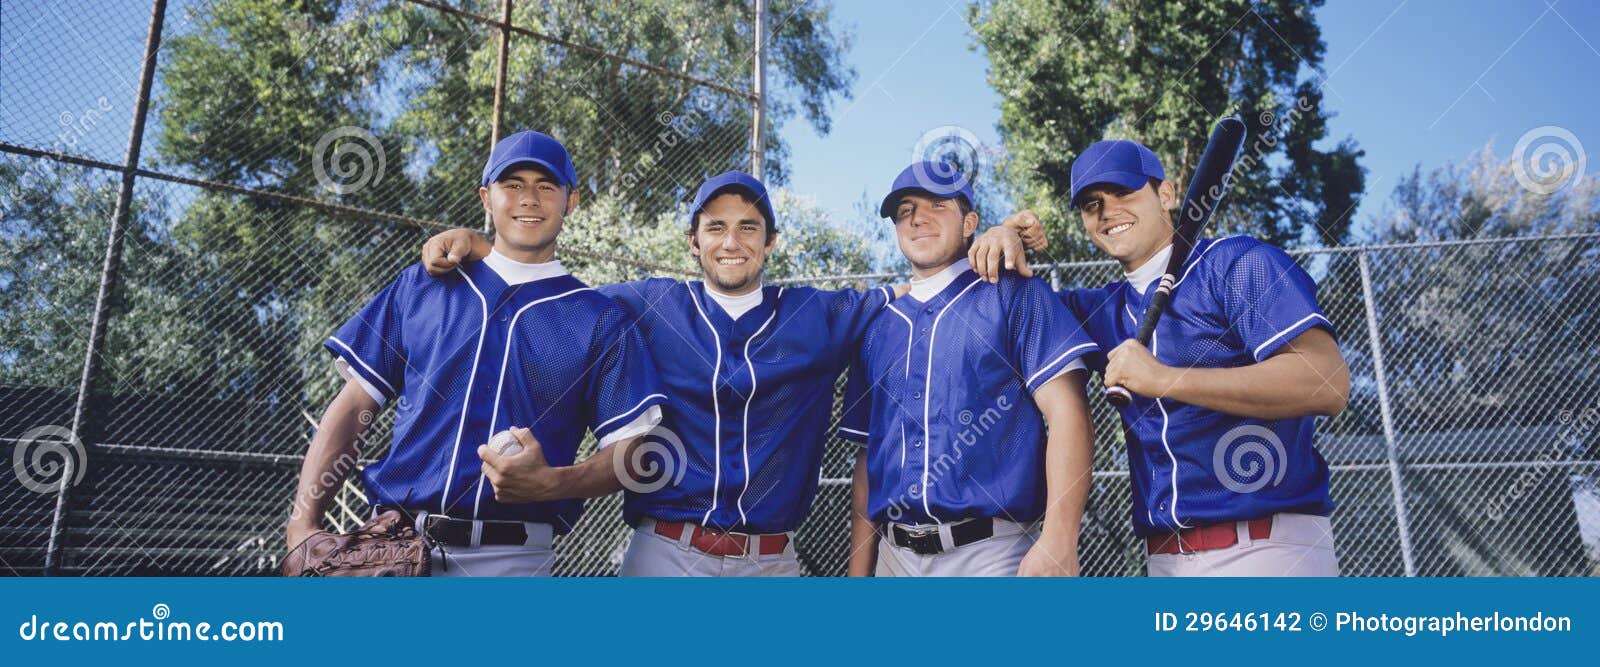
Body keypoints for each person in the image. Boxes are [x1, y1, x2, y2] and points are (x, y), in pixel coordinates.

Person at [284, 130, 666, 577]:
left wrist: (551, 483)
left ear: (571, 201)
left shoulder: (599, 319)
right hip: (391, 548)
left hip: (513, 560)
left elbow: (630, 452)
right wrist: (303, 525)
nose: (529, 198)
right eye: (512, 185)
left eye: (546, 186)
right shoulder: (423, 286)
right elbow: (355, 405)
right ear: (487, 197)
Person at [968, 138, 1351, 576]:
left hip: (1265, 550)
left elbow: (1326, 382)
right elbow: (1004, 314)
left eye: (1124, 192)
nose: (1107, 211)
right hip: (1164, 557)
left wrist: (1165, 379)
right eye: (1092, 204)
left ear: (1165, 195)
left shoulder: (1236, 262)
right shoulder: (1100, 310)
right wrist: (1001, 236)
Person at [839, 162, 1099, 576]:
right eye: (905, 210)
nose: (918, 218)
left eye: (936, 205)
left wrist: (1059, 539)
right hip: (892, 557)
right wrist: (857, 575)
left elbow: (1069, 415)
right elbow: (868, 462)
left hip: (991, 554)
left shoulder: (1014, 291)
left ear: (970, 223)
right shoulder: (876, 325)